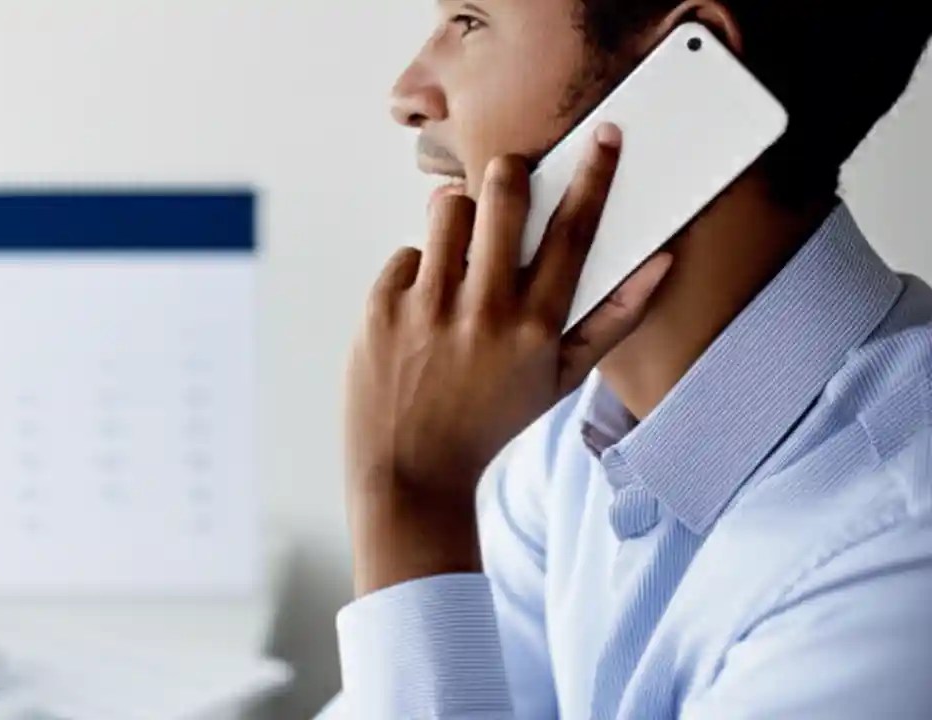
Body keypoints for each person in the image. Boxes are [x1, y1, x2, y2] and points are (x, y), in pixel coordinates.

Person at [321, 0, 932, 717]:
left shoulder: (895, 557)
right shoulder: (568, 443)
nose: (407, 96)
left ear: (692, 80)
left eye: (470, 21)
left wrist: (411, 503)